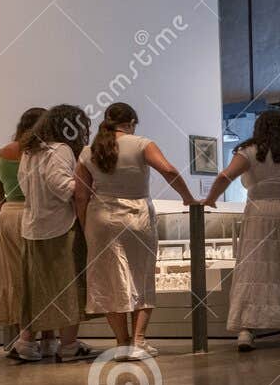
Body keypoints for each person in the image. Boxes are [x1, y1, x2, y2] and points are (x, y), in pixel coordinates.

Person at [77, 102, 198, 359]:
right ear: (131, 122)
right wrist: (187, 197)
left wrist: (84, 223)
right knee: (141, 275)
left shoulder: (89, 151)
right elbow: (168, 170)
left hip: (99, 218)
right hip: (136, 215)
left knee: (108, 281)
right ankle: (138, 341)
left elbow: (80, 194)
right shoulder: (142, 144)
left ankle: (121, 343)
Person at [202, 109, 280, 352]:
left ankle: (247, 330)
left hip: (260, 214)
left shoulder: (250, 152)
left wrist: (210, 199)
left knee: (255, 268)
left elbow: (225, 176)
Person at [16, 104, 92, 362]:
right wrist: (87, 185)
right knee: (68, 287)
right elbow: (62, 186)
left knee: (35, 290)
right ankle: (69, 346)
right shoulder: (60, 150)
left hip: (32, 227)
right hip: (60, 229)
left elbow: (25, 187)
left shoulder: (29, 151)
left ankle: (27, 343)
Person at [0, 106, 46, 359]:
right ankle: (42, 337)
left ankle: (20, 337)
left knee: (14, 278)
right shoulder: (40, 154)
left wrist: (11, 208)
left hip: (8, 216)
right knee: (42, 276)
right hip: (37, 215)